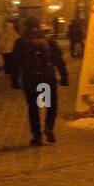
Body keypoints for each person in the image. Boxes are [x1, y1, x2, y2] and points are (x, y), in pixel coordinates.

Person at [13, 15, 69, 145]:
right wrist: (64, 76)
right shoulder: (48, 40)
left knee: (33, 107)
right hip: (46, 79)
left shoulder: (21, 41)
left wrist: (15, 80)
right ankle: (49, 127)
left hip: (30, 80)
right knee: (49, 104)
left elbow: (15, 62)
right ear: (39, 26)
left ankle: (36, 135)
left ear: (26, 26)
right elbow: (59, 60)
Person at [0, 18, 21, 87]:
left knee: (9, 64)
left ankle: (10, 74)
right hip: (11, 51)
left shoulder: (4, 33)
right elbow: (18, 40)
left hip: (6, 51)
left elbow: (1, 43)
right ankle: (12, 76)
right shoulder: (13, 33)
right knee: (12, 65)